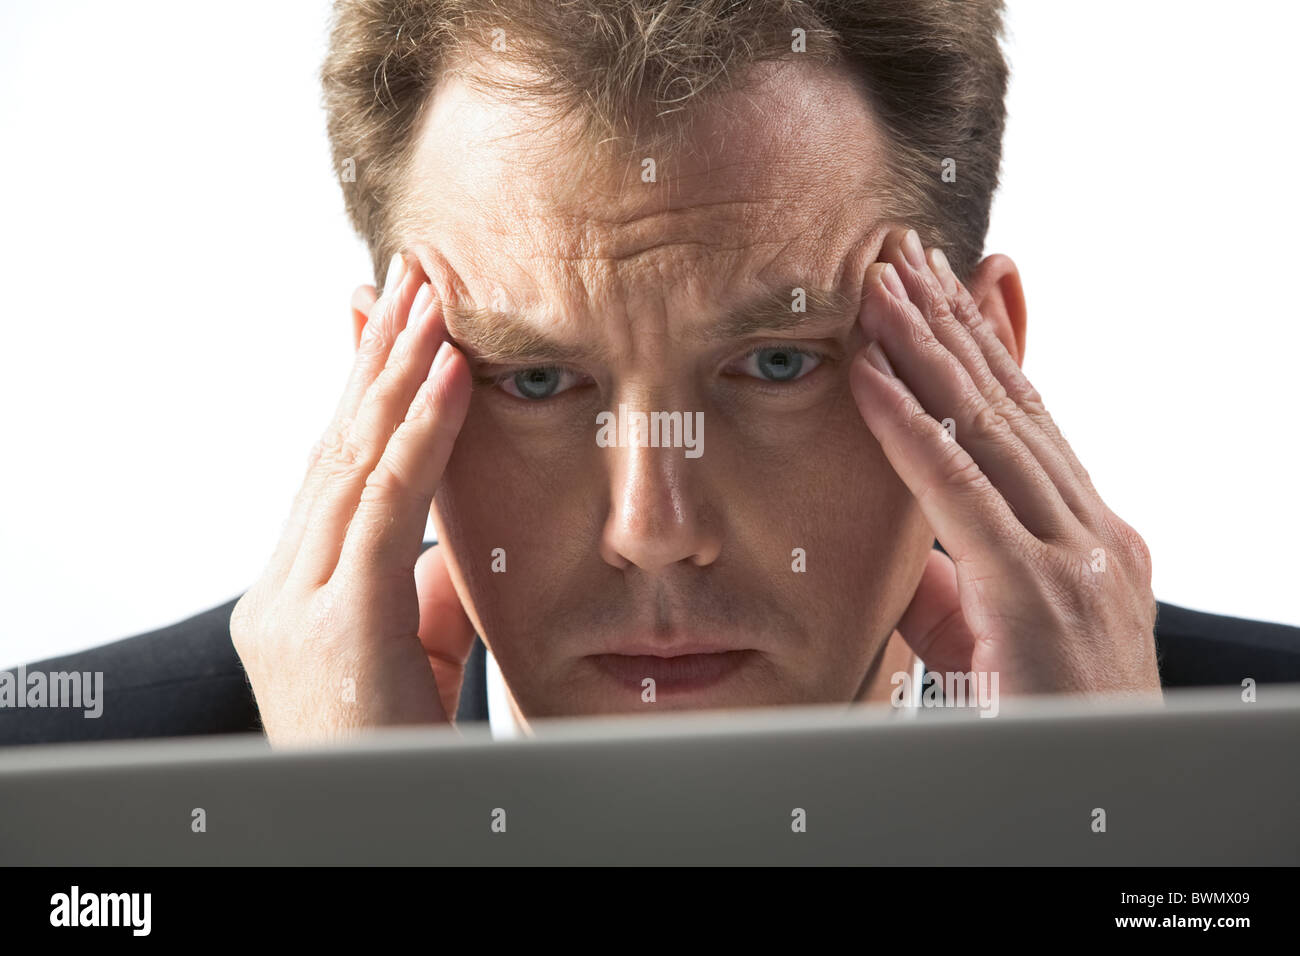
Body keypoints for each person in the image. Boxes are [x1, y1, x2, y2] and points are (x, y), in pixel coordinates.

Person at [3, 0, 1298, 749]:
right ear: (380, 393)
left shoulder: (1247, 772)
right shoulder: (46, 780)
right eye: (533, 380)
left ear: (988, 364)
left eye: (776, 363)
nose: (653, 530)